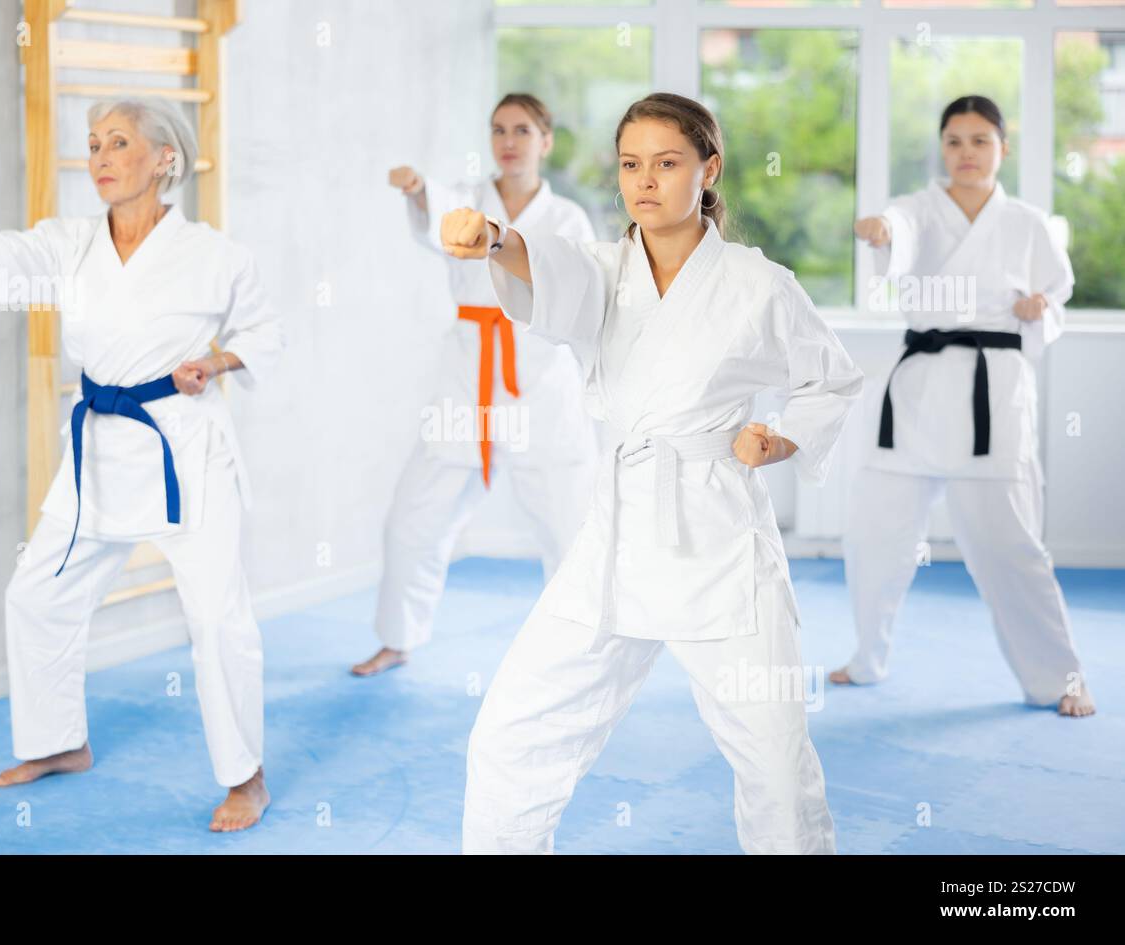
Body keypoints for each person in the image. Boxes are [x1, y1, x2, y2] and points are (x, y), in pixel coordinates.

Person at [0, 97, 286, 829]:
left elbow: (265, 332)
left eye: (119, 143)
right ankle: (57, 742)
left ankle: (247, 776)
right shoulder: (71, 244)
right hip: (101, 449)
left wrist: (218, 359)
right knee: (37, 594)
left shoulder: (215, 256)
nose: (101, 157)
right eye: (94, 144)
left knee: (216, 617)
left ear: (165, 158)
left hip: (186, 453)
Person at [441, 92, 864, 853]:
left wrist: (782, 439)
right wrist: (497, 238)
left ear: (709, 169)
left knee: (774, 762)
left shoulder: (758, 283)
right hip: (616, 537)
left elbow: (830, 380)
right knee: (510, 735)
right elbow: (551, 271)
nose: (646, 180)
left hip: (718, 540)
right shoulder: (605, 270)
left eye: (667, 163)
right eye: (631, 165)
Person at [832, 95, 1095, 718]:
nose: (967, 153)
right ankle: (869, 655)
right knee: (874, 536)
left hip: (993, 399)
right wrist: (883, 232)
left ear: (1003, 147)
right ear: (942, 147)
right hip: (918, 393)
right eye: (954, 141)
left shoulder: (1029, 222)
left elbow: (1056, 296)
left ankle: (1060, 678)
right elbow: (899, 229)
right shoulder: (918, 208)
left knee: (1013, 549)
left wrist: (1040, 310)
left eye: (981, 140)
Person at [352, 93, 599, 676]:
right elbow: (439, 216)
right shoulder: (463, 203)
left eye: (521, 130)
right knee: (414, 515)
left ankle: (581, 652)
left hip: (540, 373)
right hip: (468, 373)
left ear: (547, 140)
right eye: (497, 130)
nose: (508, 141)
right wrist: (418, 190)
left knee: (570, 523)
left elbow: (584, 288)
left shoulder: (566, 218)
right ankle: (399, 635)